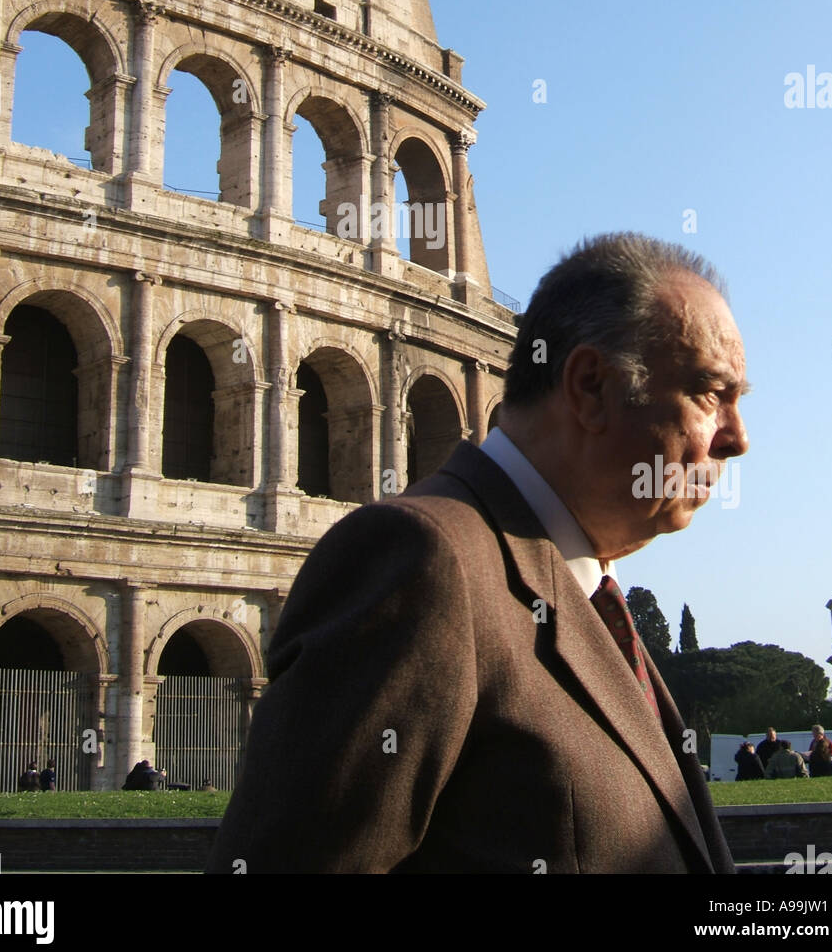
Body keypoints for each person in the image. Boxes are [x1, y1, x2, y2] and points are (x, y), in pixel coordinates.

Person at [207, 233, 749, 874]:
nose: (736, 439)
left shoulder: (572, 584)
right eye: (711, 394)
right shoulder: (422, 562)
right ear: (590, 387)